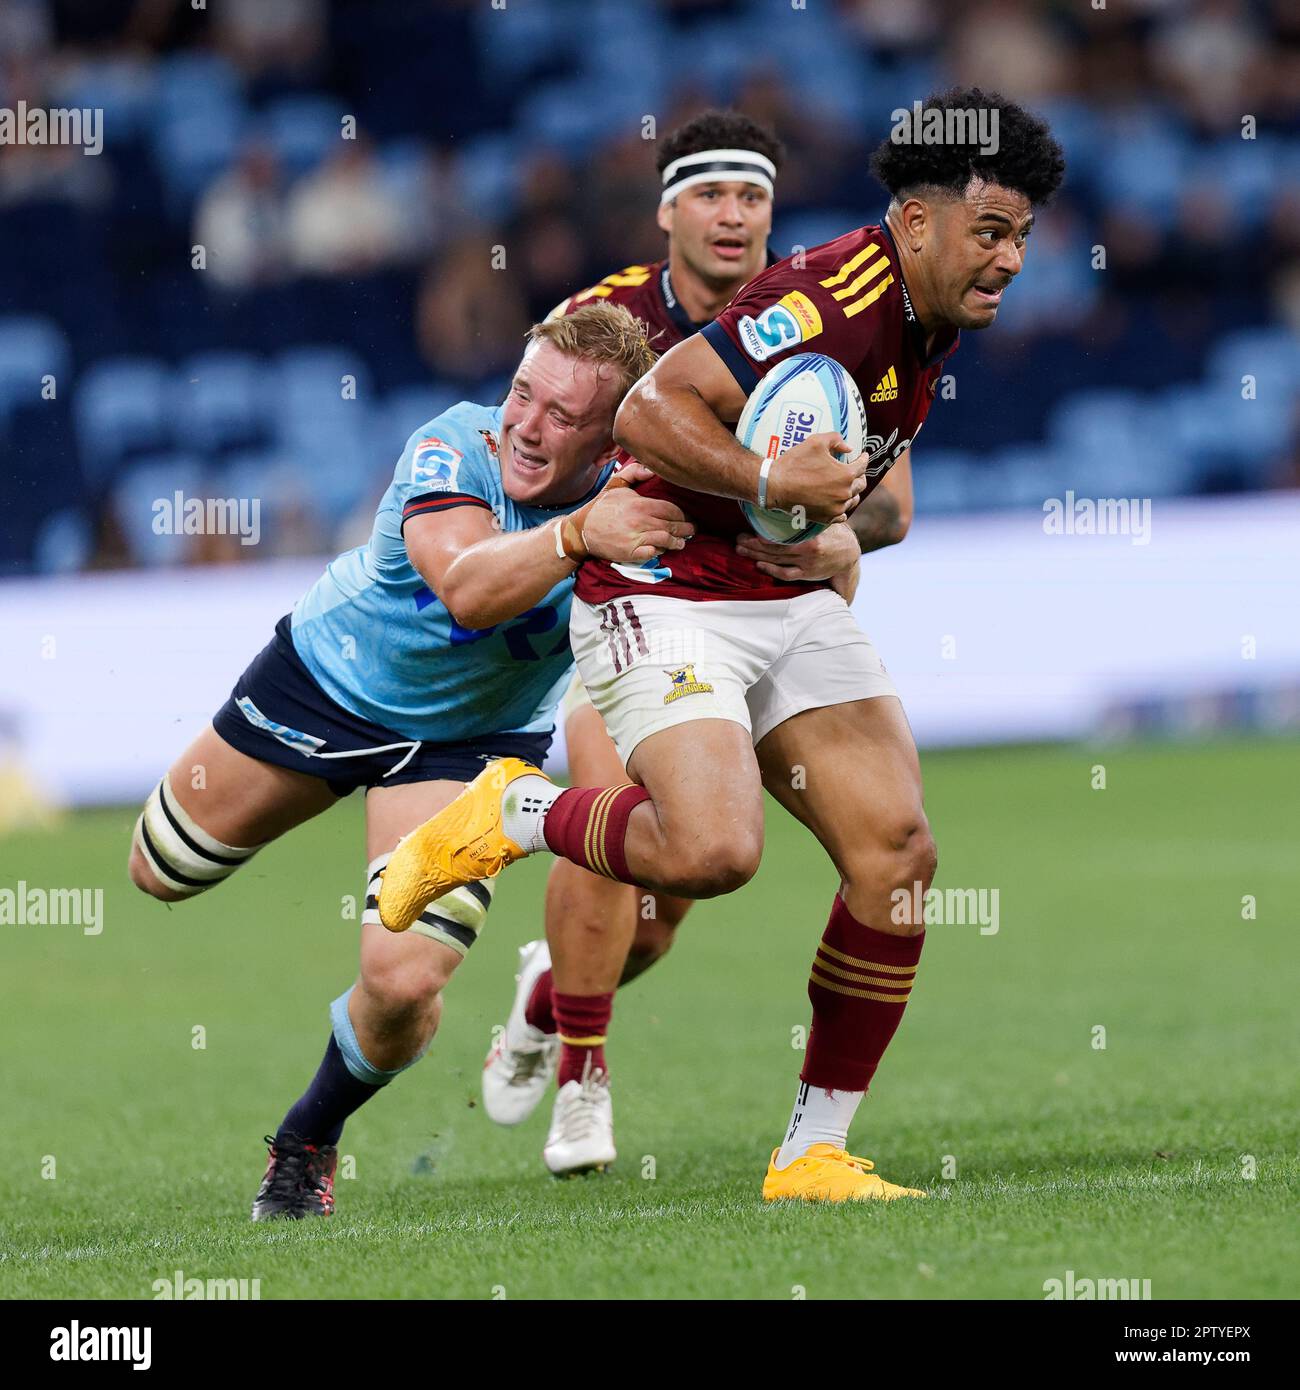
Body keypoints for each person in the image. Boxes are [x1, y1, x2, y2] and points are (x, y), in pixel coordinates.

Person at [379, 88, 1066, 1203]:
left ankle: (809, 1154)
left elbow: (870, 499)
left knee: (896, 853)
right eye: (991, 233)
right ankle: (505, 814)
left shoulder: (932, 318)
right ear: (919, 222)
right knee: (712, 851)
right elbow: (650, 408)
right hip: (664, 587)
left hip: (780, 596)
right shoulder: (828, 297)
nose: (1011, 260)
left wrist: (827, 521)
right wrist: (761, 481)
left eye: (1023, 237)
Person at [126, 303, 688, 1218]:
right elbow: (468, 590)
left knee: (401, 987)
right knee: (159, 872)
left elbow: (759, 548)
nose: (526, 425)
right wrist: (581, 535)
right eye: (521, 394)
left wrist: (816, 533)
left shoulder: (644, 493)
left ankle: (308, 1136)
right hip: (324, 685)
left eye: (561, 416)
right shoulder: (452, 446)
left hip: (469, 748)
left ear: (608, 441)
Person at [482, 108, 918, 1179]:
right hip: (622, 597)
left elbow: (887, 506)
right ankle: (584, 1082)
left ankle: (547, 994)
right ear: (667, 208)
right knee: (634, 825)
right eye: (710, 194)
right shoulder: (602, 318)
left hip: (757, 610)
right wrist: (580, 529)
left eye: (752, 196)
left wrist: (830, 533)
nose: (733, 216)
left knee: (666, 907)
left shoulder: (819, 309)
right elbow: (526, 458)